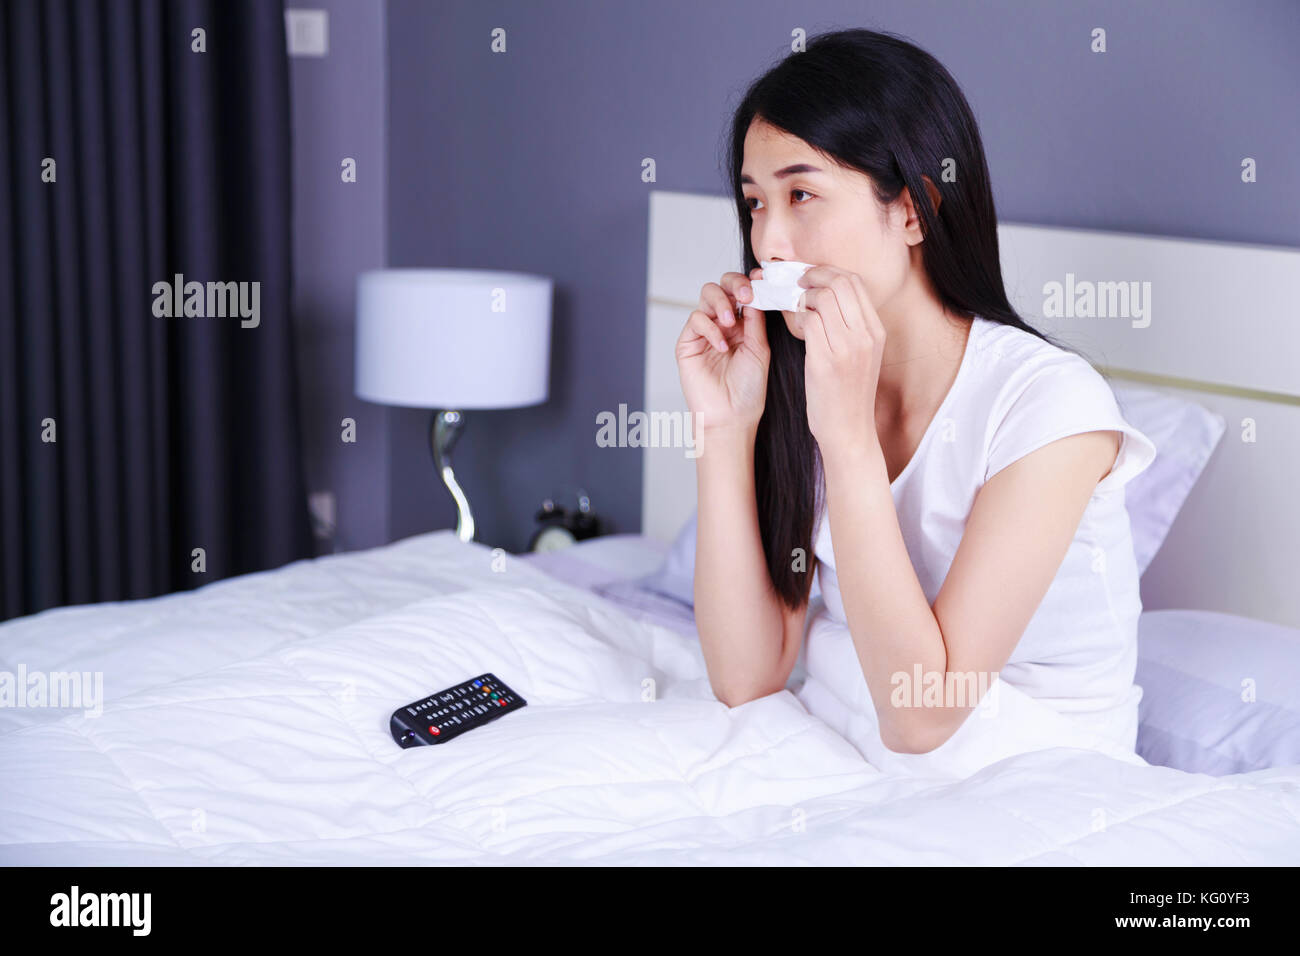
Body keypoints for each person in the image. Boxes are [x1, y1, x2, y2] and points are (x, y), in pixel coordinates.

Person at [676, 29, 1156, 777]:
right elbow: (747, 676)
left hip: (1028, 781)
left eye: (802, 194)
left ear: (914, 210)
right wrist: (725, 424)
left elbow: (922, 714)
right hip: (843, 751)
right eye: (754, 203)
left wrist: (847, 439)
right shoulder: (802, 373)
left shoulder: (1050, 406)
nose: (768, 242)